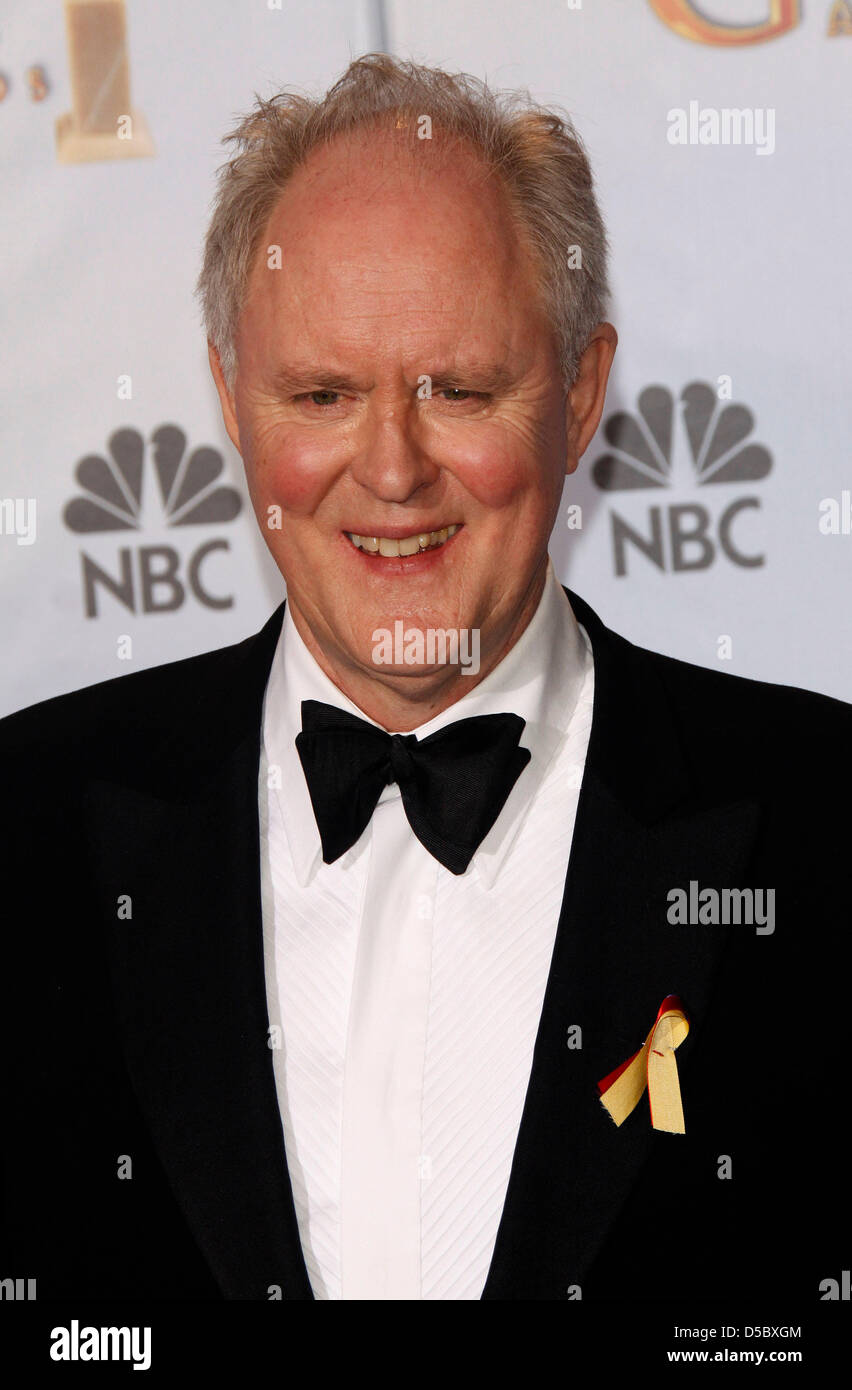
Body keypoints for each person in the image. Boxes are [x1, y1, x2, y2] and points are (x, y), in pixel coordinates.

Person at [2, 53, 849, 1303]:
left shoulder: (823, 819)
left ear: (580, 392)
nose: (391, 470)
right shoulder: (24, 829)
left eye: (458, 389)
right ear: (234, 398)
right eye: (322, 393)